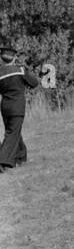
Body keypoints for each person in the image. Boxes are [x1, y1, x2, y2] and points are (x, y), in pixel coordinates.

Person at [0, 44, 40, 172]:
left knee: (14, 131)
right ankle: (3, 161)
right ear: (13, 57)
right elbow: (34, 83)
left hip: (5, 107)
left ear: (2, 58)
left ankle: (21, 157)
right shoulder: (20, 69)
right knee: (12, 133)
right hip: (17, 106)